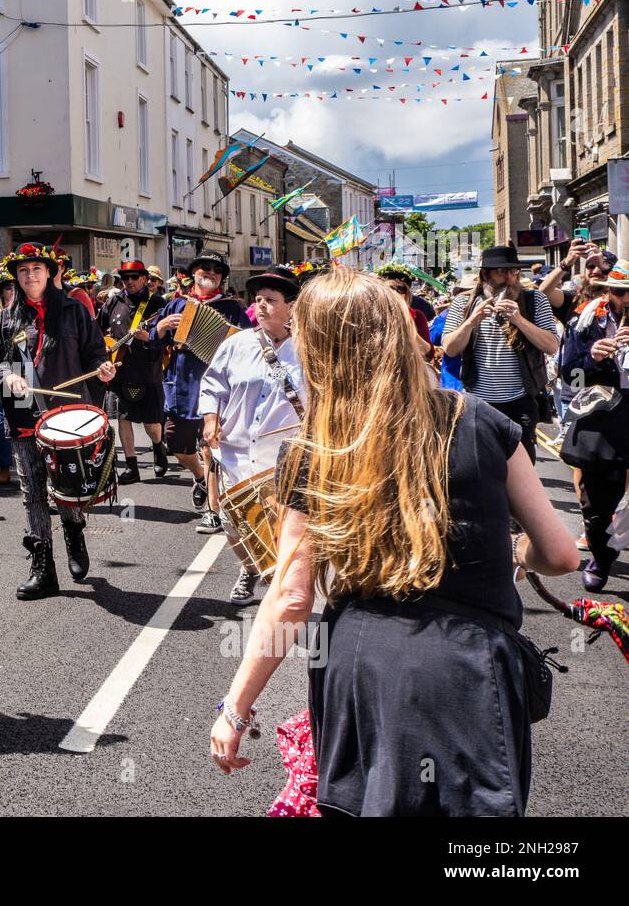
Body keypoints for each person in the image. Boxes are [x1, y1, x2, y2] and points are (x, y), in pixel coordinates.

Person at [210, 270, 580, 816]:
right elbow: (562, 556)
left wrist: (236, 709)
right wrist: (517, 551)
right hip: (471, 664)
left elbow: (290, 600)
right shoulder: (481, 421)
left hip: (360, 666)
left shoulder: (312, 449)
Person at [0, 243, 116, 598]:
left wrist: (102, 369)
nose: (30, 276)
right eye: (23, 271)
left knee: (67, 489)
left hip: (67, 417)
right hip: (24, 417)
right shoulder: (5, 318)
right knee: (32, 493)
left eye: (36, 269)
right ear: (16, 277)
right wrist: (7, 377)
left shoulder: (74, 311)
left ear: (50, 272)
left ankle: (73, 531)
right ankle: (43, 569)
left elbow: (95, 354)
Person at [198, 269, 303, 605]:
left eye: (270, 300)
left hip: (284, 458)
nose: (261, 306)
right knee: (234, 524)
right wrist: (211, 418)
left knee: (282, 527)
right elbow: (213, 384)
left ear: (291, 307)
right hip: (235, 454)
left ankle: (283, 588)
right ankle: (249, 568)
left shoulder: (308, 350)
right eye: (258, 300)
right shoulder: (237, 344)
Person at [150, 254, 250, 528]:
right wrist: (159, 329)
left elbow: (250, 345)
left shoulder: (232, 308)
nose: (211, 273)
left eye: (217, 271)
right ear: (193, 273)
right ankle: (199, 478)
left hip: (218, 393)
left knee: (210, 450)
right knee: (178, 448)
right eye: (205, 268)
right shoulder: (176, 304)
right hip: (182, 390)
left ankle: (214, 512)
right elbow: (150, 341)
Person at [442, 245, 559, 462]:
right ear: (485, 274)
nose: (509, 278)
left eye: (514, 272)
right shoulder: (464, 303)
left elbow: (552, 345)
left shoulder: (535, 300)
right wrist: (471, 322)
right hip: (479, 402)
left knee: (522, 468)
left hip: (521, 400)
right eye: (501, 272)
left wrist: (519, 320)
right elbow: (450, 348)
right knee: (483, 467)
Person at [558, 261, 629, 590]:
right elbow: (569, 374)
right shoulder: (586, 320)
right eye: (620, 292)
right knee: (597, 502)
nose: (626, 299)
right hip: (605, 418)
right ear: (609, 293)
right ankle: (601, 556)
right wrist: (592, 358)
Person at [97, 260, 168, 484]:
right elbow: (97, 329)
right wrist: (103, 346)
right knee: (122, 419)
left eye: (134, 277)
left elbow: (169, 339)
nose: (129, 282)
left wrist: (150, 338)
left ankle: (158, 445)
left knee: (151, 424)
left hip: (147, 369)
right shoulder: (114, 301)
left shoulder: (157, 303)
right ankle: (131, 466)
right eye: (125, 278)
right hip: (119, 370)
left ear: (145, 278)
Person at [374, 263, 433, 356]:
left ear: (406, 293)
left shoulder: (417, 316)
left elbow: (428, 353)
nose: (394, 292)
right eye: (390, 288)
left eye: (400, 289)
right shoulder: (372, 314)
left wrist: (408, 325)